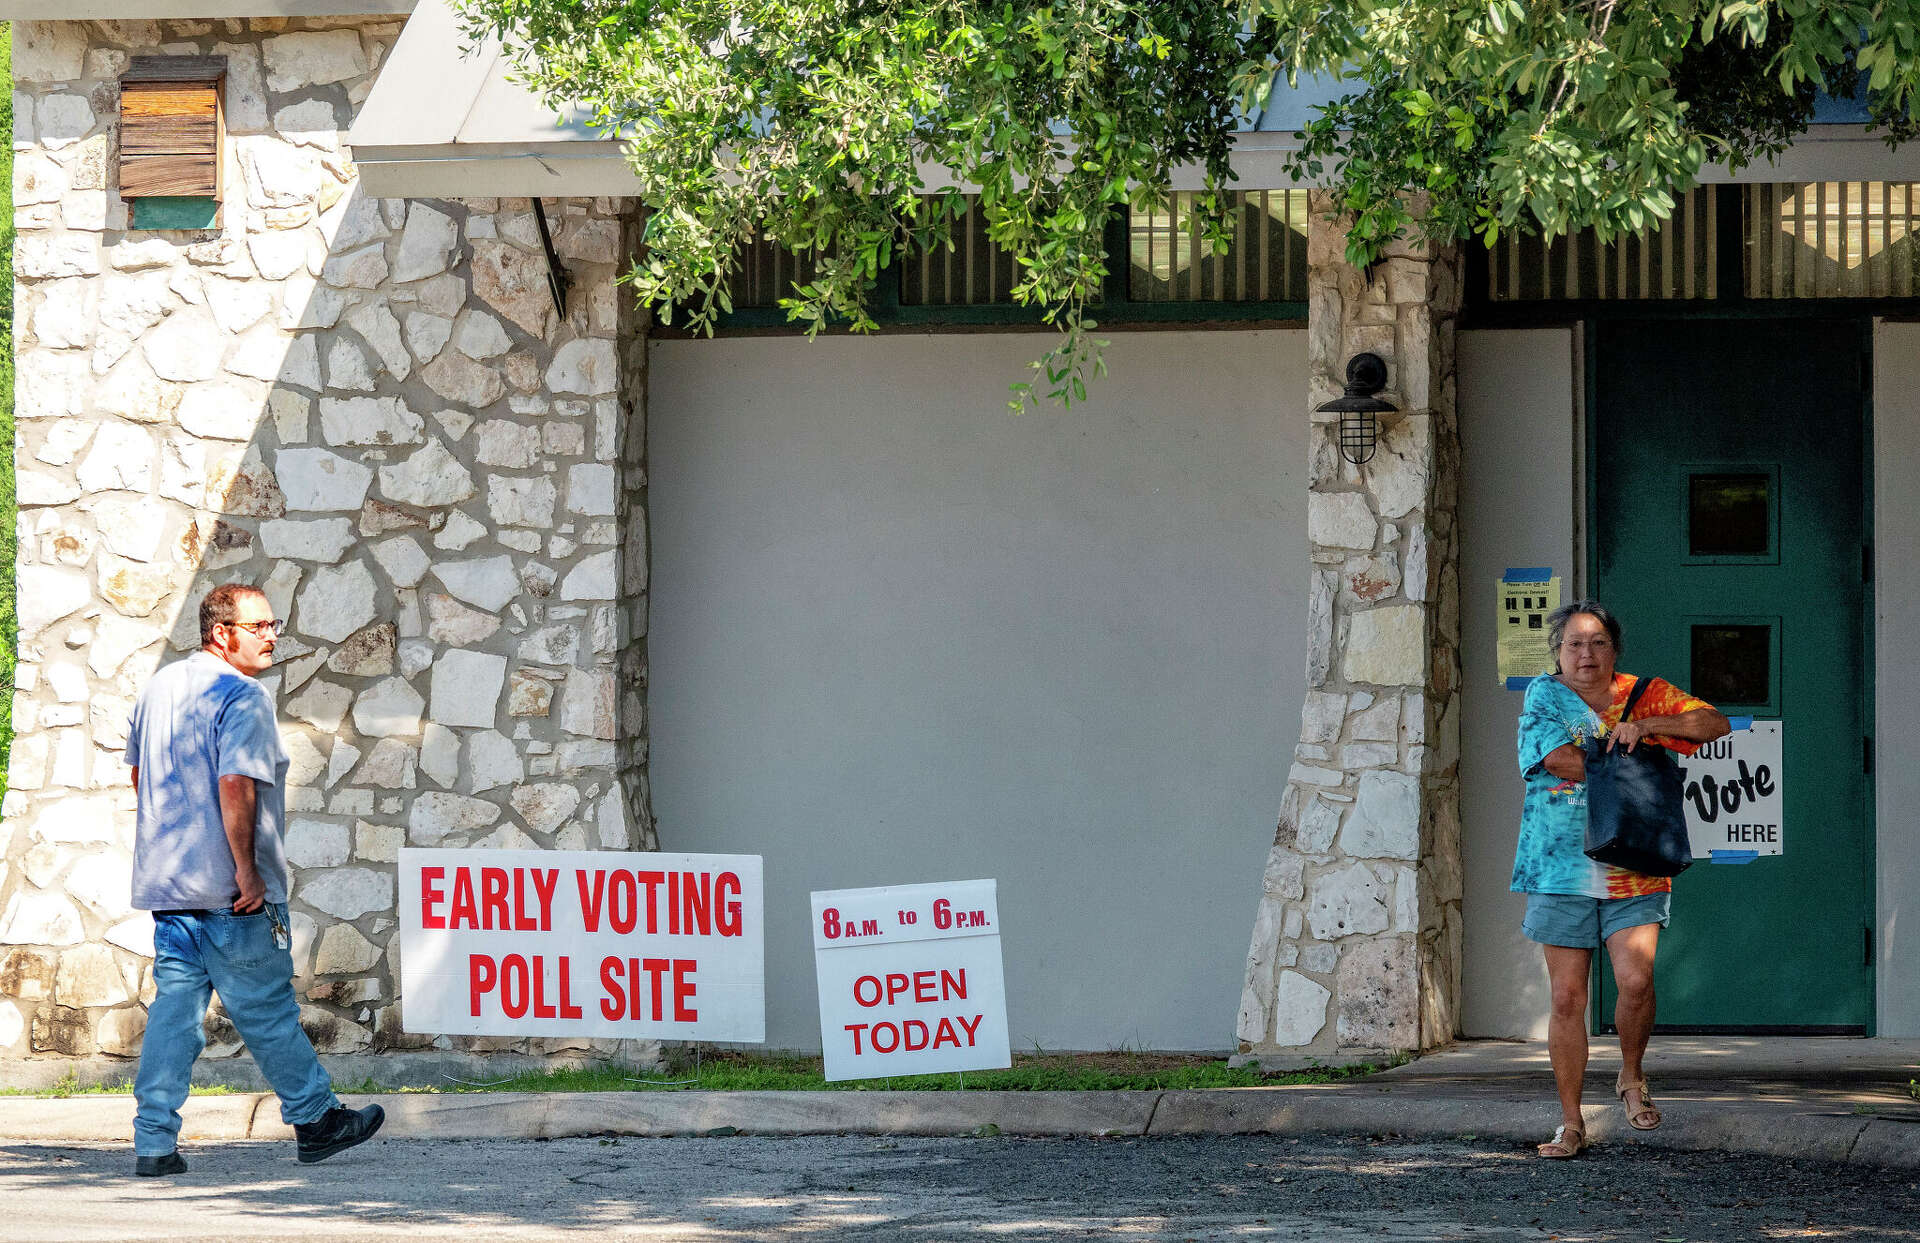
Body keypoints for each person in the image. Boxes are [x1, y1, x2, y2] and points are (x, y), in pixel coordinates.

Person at [126, 582, 384, 1176]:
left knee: (176, 1013)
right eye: (259, 627)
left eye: (273, 625)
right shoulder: (240, 696)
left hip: (171, 885)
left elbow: (140, 772)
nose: (272, 636)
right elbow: (236, 783)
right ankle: (317, 1119)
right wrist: (246, 869)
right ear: (223, 633)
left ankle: (153, 1142)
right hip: (230, 891)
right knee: (265, 1008)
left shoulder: (160, 688)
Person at [1513, 600, 1729, 1159]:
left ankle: (1631, 1078)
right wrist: (1636, 754)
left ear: (1615, 649)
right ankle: (1571, 1122)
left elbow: (1712, 723)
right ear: (1558, 653)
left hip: (1636, 861)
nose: (1587, 654)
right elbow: (1559, 760)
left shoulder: (1644, 693)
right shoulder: (1544, 695)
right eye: (1575, 644)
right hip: (1560, 866)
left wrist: (1648, 726)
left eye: (1598, 643)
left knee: (1635, 982)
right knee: (1566, 997)